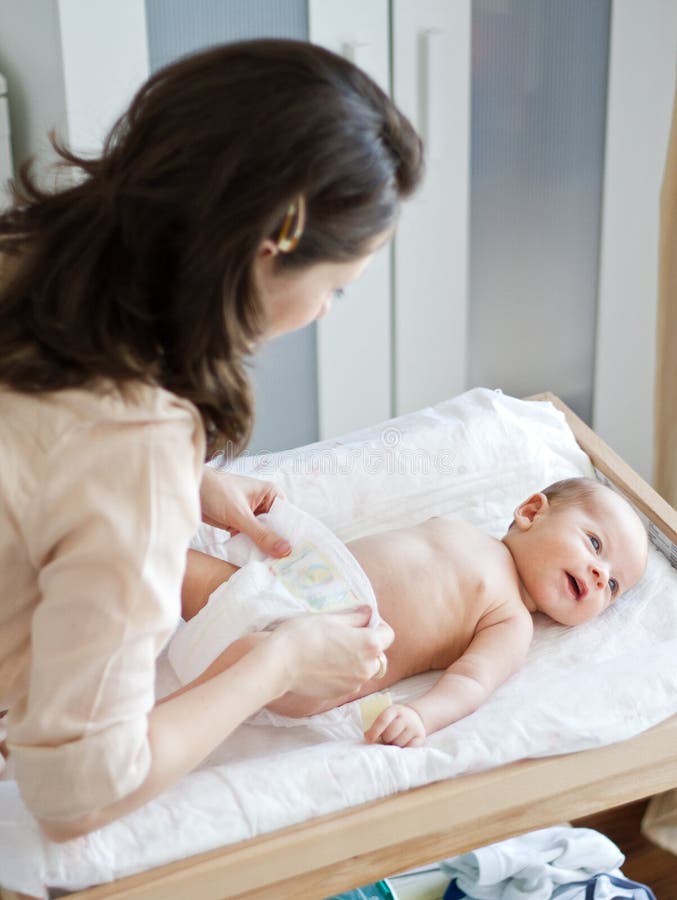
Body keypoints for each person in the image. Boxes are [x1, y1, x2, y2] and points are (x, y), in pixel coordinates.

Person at [0, 39, 423, 839]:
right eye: (333, 287)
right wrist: (277, 662)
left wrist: (182, 478)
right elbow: (73, 792)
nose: (325, 311)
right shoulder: (131, 449)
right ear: (271, 241)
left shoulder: (31, 258)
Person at [178, 477, 648, 747]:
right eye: (594, 544)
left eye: (611, 585)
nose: (596, 573)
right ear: (530, 511)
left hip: (331, 662)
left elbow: (471, 682)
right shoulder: (462, 529)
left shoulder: (512, 620)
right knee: (175, 565)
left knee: (250, 657)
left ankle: (159, 725)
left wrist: (422, 716)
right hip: (294, 584)